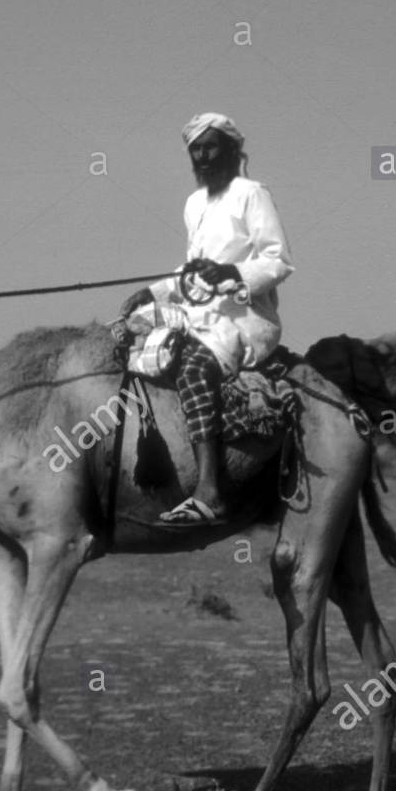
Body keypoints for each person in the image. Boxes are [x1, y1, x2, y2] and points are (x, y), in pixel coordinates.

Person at [119, 112, 293, 526]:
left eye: (210, 146)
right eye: (196, 149)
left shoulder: (252, 193)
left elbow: (278, 260)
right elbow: (190, 272)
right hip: (198, 312)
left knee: (193, 364)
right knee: (128, 334)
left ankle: (211, 492)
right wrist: (154, 292)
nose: (202, 155)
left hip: (244, 318)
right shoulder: (194, 204)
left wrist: (233, 273)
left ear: (230, 149)